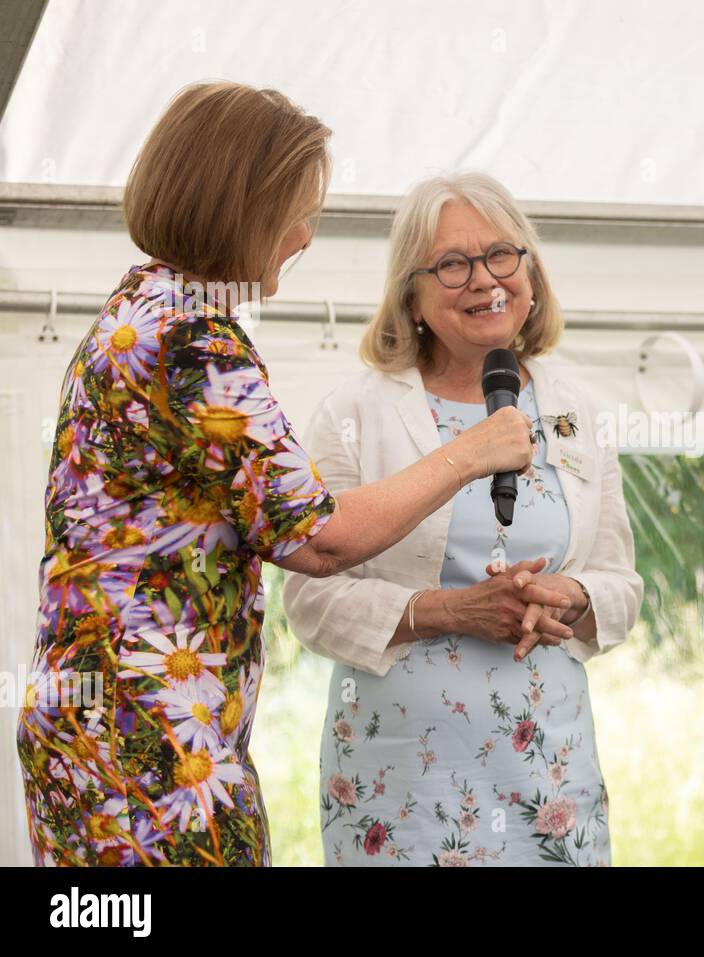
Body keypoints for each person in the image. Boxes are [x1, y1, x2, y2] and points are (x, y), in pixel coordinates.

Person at [15, 83, 534, 866]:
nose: (304, 235)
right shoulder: (195, 338)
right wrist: (476, 450)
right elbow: (318, 540)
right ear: (243, 208)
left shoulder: (135, 310)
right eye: (298, 211)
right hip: (154, 743)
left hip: (93, 731)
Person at [283, 171, 642, 866]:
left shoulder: (577, 413)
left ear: (530, 277)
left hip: (549, 769)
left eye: (501, 255)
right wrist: (451, 610)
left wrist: (569, 597)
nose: (483, 280)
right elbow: (310, 598)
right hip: (403, 783)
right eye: (452, 264)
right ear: (411, 296)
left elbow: (622, 584)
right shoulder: (355, 413)